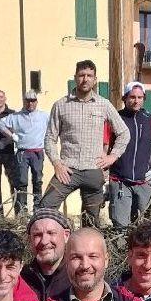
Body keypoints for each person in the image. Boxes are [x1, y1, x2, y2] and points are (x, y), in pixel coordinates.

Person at [40, 60, 128, 227]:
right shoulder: (61, 105)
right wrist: (57, 163)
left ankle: (86, 242)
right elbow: (50, 138)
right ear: (75, 78)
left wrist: (112, 157)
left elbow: (124, 133)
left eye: (89, 76)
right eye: (81, 75)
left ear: (95, 80)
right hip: (68, 170)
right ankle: (54, 237)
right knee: (45, 207)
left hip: (93, 170)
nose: (85, 79)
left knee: (91, 221)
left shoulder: (104, 104)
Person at [108, 82, 151, 228]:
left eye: (140, 97)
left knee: (145, 227)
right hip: (120, 181)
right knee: (121, 226)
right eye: (132, 97)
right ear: (125, 98)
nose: (136, 101)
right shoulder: (115, 118)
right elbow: (104, 147)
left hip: (144, 182)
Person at [0, 91, 49, 215]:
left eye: (33, 101)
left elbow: (55, 126)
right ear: (24, 101)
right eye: (28, 101)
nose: (30, 103)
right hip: (22, 153)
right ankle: (22, 211)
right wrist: (11, 135)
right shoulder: (16, 116)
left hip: (38, 152)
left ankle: (38, 209)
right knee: (22, 182)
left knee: (38, 181)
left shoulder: (44, 116)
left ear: (36, 101)